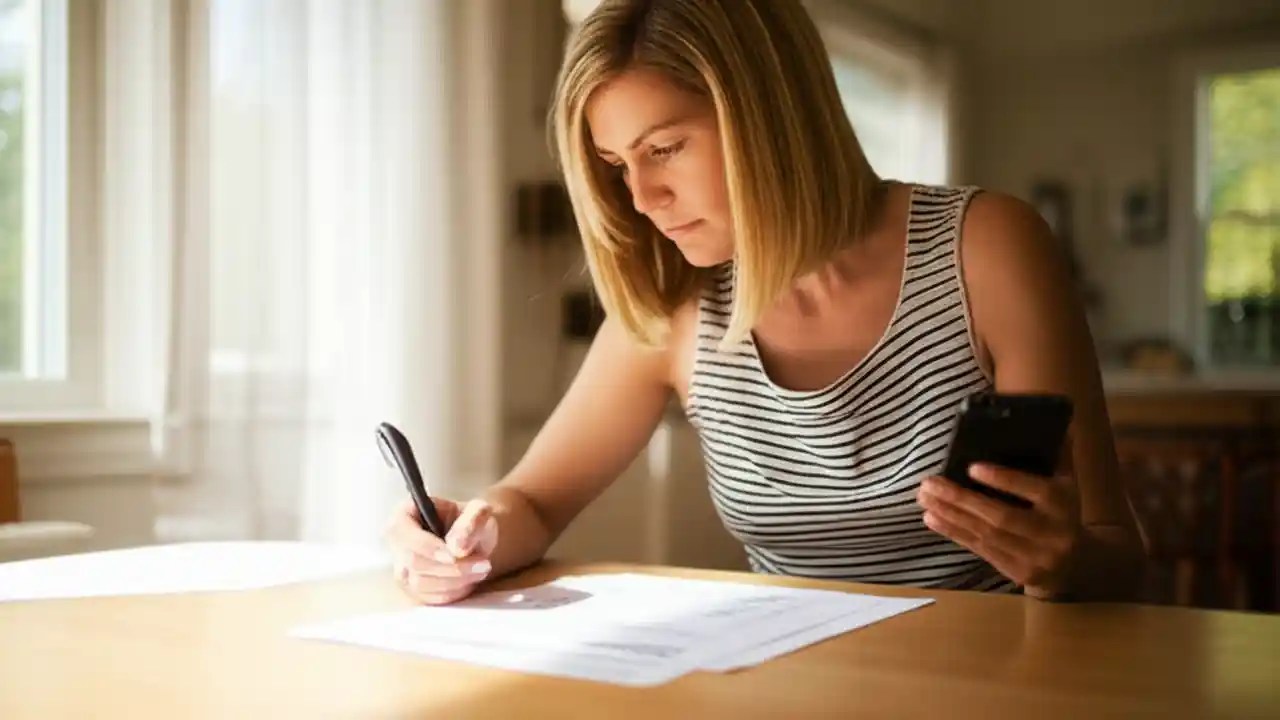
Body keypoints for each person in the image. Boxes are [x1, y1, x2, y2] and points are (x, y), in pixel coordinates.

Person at [384, 0, 1144, 605]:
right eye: (617, 166)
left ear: (766, 113)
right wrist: (467, 535)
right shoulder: (679, 305)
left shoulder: (987, 248)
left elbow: (1116, 556)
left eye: (665, 148)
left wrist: (1061, 563)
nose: (643, 198)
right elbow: (535, 504)